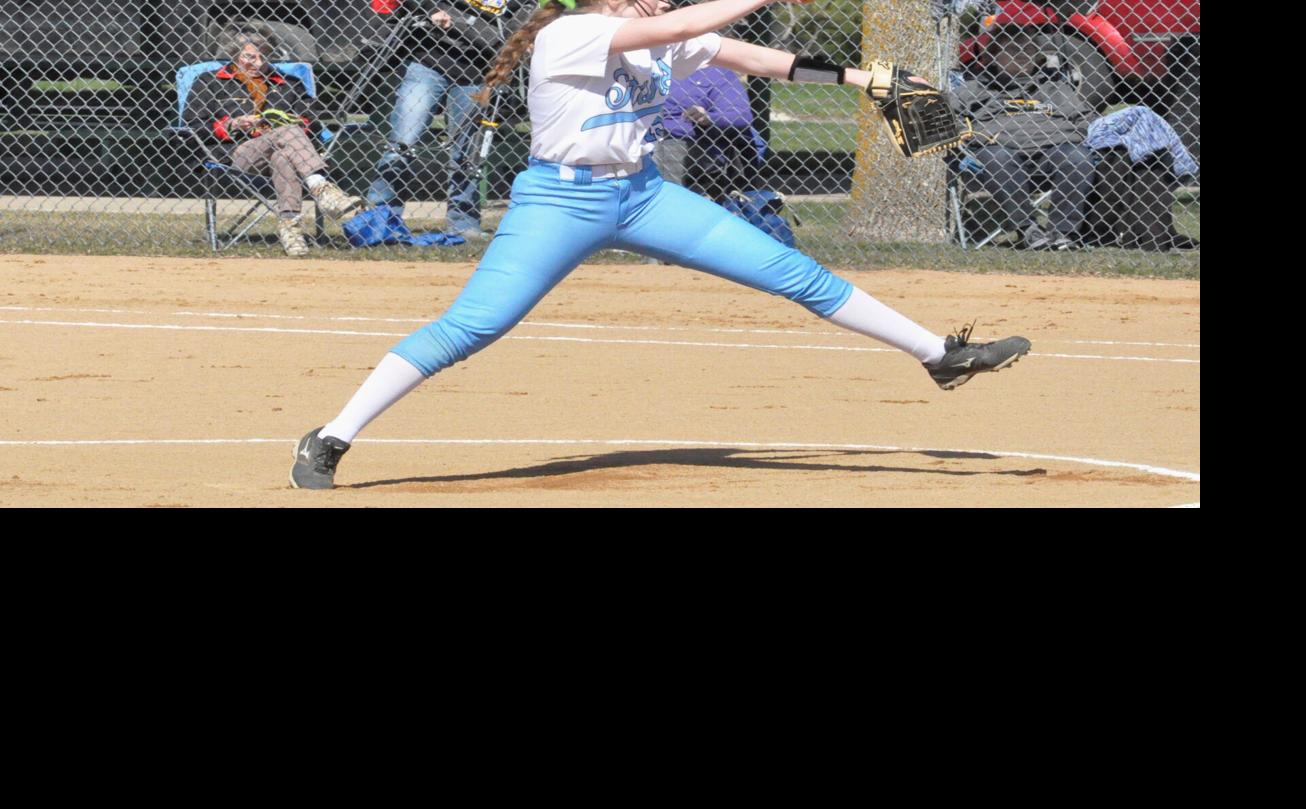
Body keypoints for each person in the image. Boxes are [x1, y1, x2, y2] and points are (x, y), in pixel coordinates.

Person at [290, 0, 1031, 490]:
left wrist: (861, 76)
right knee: (473, 326)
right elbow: (678, 32)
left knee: (792, 271)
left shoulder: (664, 37)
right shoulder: (570, 32)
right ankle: (330, 435)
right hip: (559, 200)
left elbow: (760, 61)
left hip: (641, 195)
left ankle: (940, 354)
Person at [182, 32, 367, 256]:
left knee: (283, 153)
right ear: (234, 55)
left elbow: (312, 121)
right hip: (237, 153)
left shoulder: (289, 84)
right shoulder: (209, 82)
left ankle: (290, 229)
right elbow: (192, 125)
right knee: (289, 132)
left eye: (264, 57)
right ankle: (320, 187)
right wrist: (232, 124)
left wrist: (291, 123)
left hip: (286, 152)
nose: (257, 63)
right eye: (249, 57)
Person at [364, 0, 526, 238]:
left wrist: (515, 41)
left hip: (479, 70)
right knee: (402, 143)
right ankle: (381, 220)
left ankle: (463, 223)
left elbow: (522, 21)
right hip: (429, 62)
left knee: (466, 152)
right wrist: (431, 10)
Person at [950, 23, 1097, 251]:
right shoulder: (976, 88)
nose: (1021, 54)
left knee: (1078, 157)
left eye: (1028, 49)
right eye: (1012, 49)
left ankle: (1062, 232)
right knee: (996, 157)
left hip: (1053, 152)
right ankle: (1028, 229)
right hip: (999, 156)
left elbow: (1084, 118)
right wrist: (964, 134)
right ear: (994, 56)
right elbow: (945, 113)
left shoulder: (1053, 87)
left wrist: (1082, 134)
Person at [651, 65, 759, 196]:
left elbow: (740, 116)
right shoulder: (644, 65)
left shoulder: (715, 72)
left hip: (685, 144)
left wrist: (708, 117)